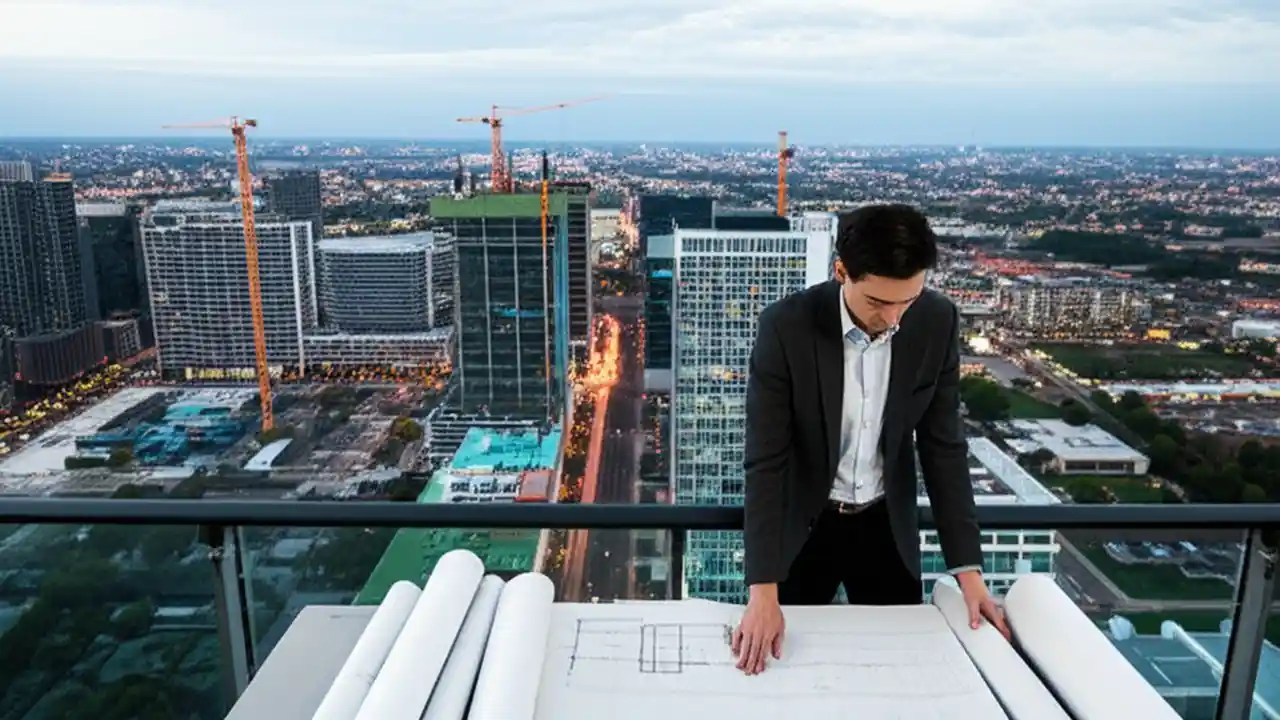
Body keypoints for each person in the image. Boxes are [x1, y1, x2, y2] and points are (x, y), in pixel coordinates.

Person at [731, 203, 1010, 675]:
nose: (896, 319)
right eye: (879, 303)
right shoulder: (785, 327)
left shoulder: (936, 321)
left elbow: (943, 448)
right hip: (806, 528)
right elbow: (766, 460)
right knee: (782, 670)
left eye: (909, 300)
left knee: (899, 671)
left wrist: (968, 571)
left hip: (885, 527)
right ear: (842, 271)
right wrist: (762, 587)